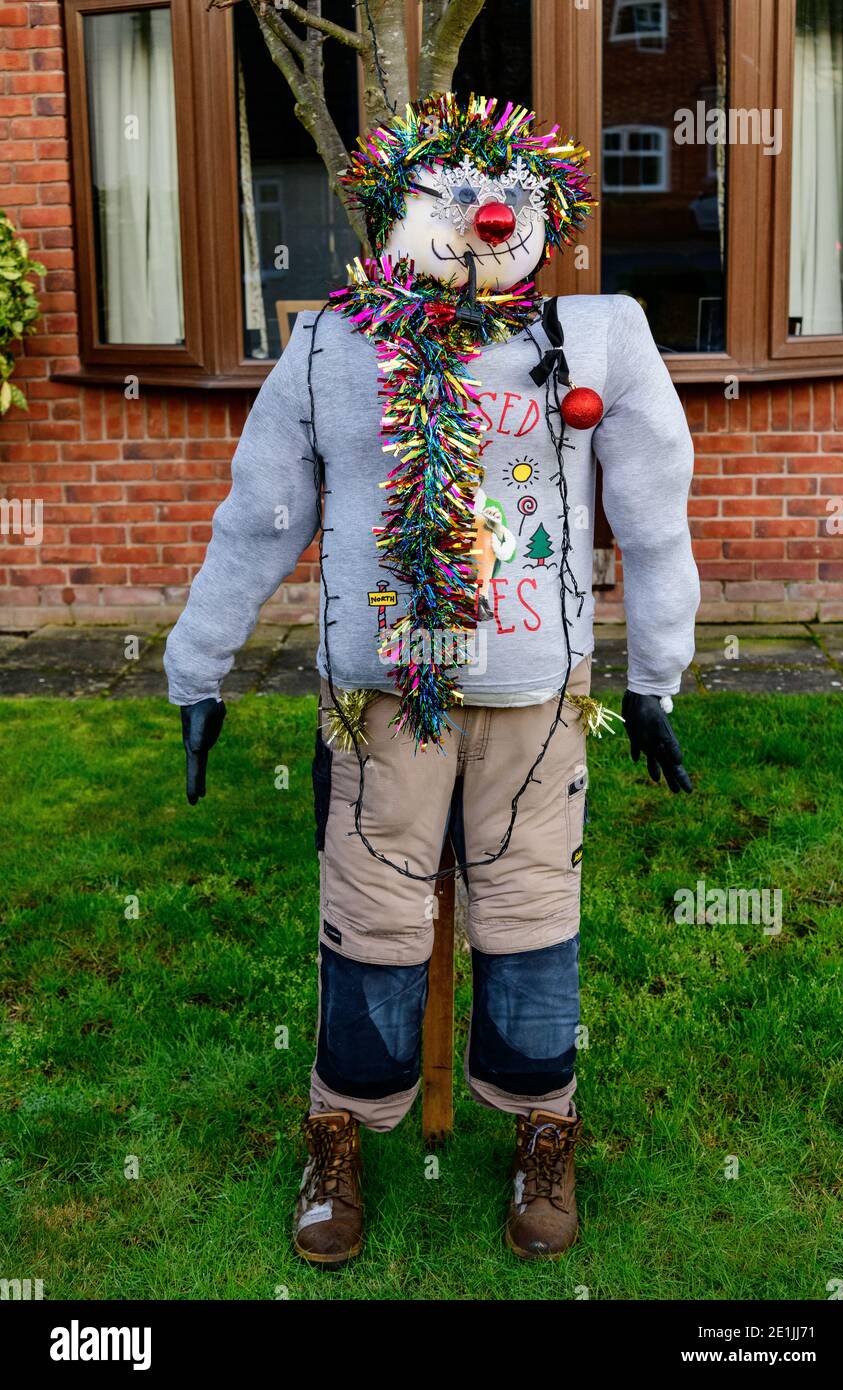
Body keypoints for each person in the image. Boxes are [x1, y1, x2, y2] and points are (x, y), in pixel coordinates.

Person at [164, 92, 699, 1267]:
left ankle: (542, 1126)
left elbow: (653, 517)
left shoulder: (597, 336)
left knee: (533, 913)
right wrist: (197, 667)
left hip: (533, 699)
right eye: (451, 194)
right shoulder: (332, 346)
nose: (483, 216)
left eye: (504, 194)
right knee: (369, 912)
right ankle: (339, 1131)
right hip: (378, 700)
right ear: (396, 207)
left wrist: (654, 675)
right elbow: (258, 518)